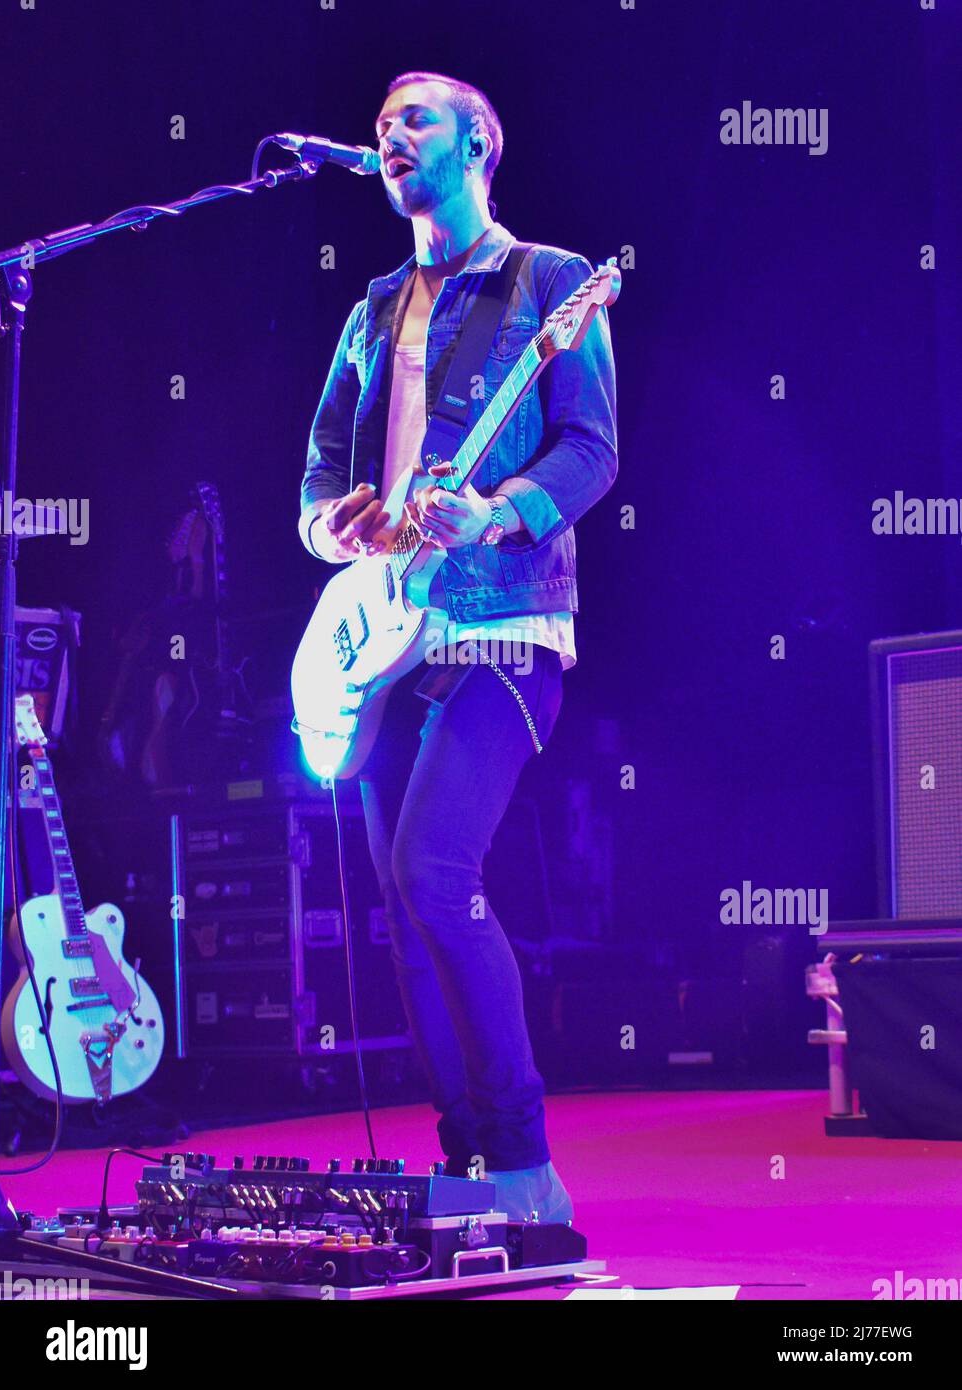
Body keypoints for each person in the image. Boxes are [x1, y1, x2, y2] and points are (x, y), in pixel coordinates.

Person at [299, 71, 617, 1222]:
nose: (388, 134)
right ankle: (468, 1165)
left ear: (480, 140)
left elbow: (590, 450)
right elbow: (319, 476)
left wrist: (495, 511)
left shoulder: (553, 282)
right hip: (386, 636)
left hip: (506, 626)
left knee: (437, 870)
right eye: (380, 121)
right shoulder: (372, 308)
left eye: (415, 118)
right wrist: (329, 522)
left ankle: (526, 1162)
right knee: (403, 895)